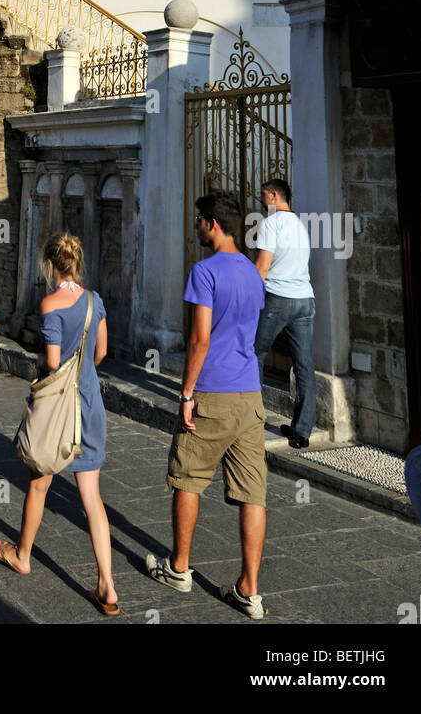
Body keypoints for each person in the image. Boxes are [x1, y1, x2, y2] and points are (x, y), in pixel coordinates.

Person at [147, 191, 268, 619]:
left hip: (212, 391)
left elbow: (199, 339)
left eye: (199, 220)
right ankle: (249, 590)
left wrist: (185, 394)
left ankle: (179, 567)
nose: (196, 226)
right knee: (253, 493)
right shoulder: (255, 274)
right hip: (250, 394)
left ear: (212, 223)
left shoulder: (204, 271)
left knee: (188, 478)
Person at [0, 231, 119, 617]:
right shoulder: (95, 301)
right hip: (90, 401)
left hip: (58, 408)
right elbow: (101, 352)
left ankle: (23, 554)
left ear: (49, 264)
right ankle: (107, 585)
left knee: (40, 482)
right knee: (92, 499)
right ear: (77, 263)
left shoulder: (50, 304)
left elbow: (50, 360)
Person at [252, 179, 316, 448]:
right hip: (305, 299)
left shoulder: (270, 223)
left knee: (254, 353)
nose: (261, 199)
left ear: (274, 195)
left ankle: (251, 420)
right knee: (304, 366)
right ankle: (301, 431)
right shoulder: (301, 226)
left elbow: (262, 267)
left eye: (263, 194)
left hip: (278, 298)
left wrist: (248, 299)